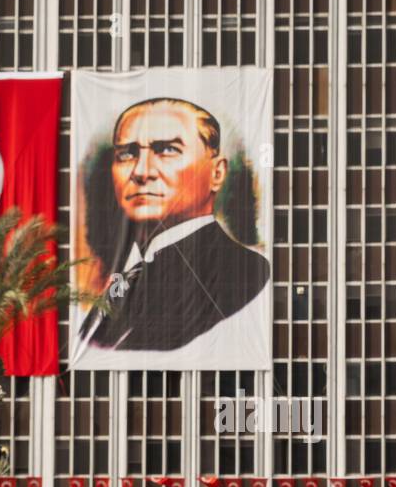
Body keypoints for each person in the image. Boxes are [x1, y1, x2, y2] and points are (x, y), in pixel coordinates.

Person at [73, 97, 271, 359]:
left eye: (167, 150)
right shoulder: (126, 270)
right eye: (127, 154)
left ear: (217, 173)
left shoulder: (243, 270)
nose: (142, 171)